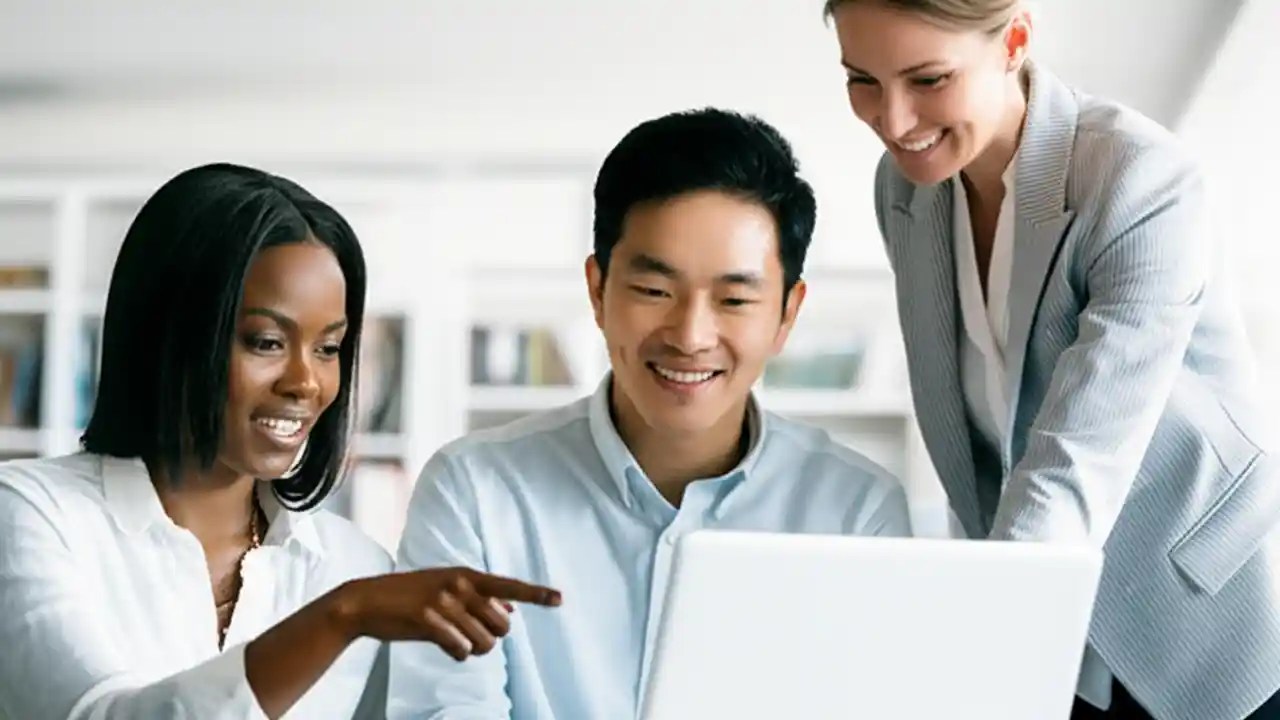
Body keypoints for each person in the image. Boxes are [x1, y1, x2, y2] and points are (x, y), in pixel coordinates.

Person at [824, 1, 1280, 718]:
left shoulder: (1139, 179)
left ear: (1014, 41)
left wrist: (990, 641)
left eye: (929, 79)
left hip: (1201, 610)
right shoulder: (903, 190)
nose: (895, 120)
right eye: (863, 81)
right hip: (1055, 620)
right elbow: (976, 433)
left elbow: (1080, 454)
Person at [387, 107, 911, 718]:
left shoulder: (855, 512)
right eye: (655, 291)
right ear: (598, 290)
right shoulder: (476, 492)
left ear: (787, 315)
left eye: (734, 299)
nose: (690, 336)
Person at [0, 163, 560, 720]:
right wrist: (339, 617)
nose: (306, 383)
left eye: (328, 348)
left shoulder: (352, 564)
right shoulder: (32, 515)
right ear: (168, 334)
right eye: (266, 342)